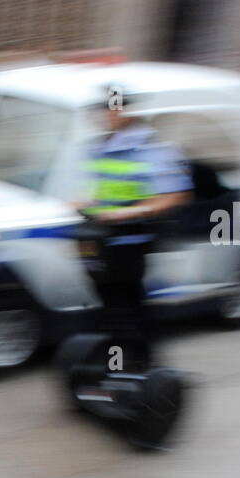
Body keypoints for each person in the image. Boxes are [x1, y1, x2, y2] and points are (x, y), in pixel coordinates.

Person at [78, 85, 192, 365]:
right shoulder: (101, 147)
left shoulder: (152, 147)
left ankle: (143, 367)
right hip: (103, 240)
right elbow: (105, 190)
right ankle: (117, 365)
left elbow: (174, 196)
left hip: (131, 242)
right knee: (109, 307)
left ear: (123, 111)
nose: (106, 115)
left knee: (128, 306)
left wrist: (125, 214)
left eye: (112, 109)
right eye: (104, 110)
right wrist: (84, 203)